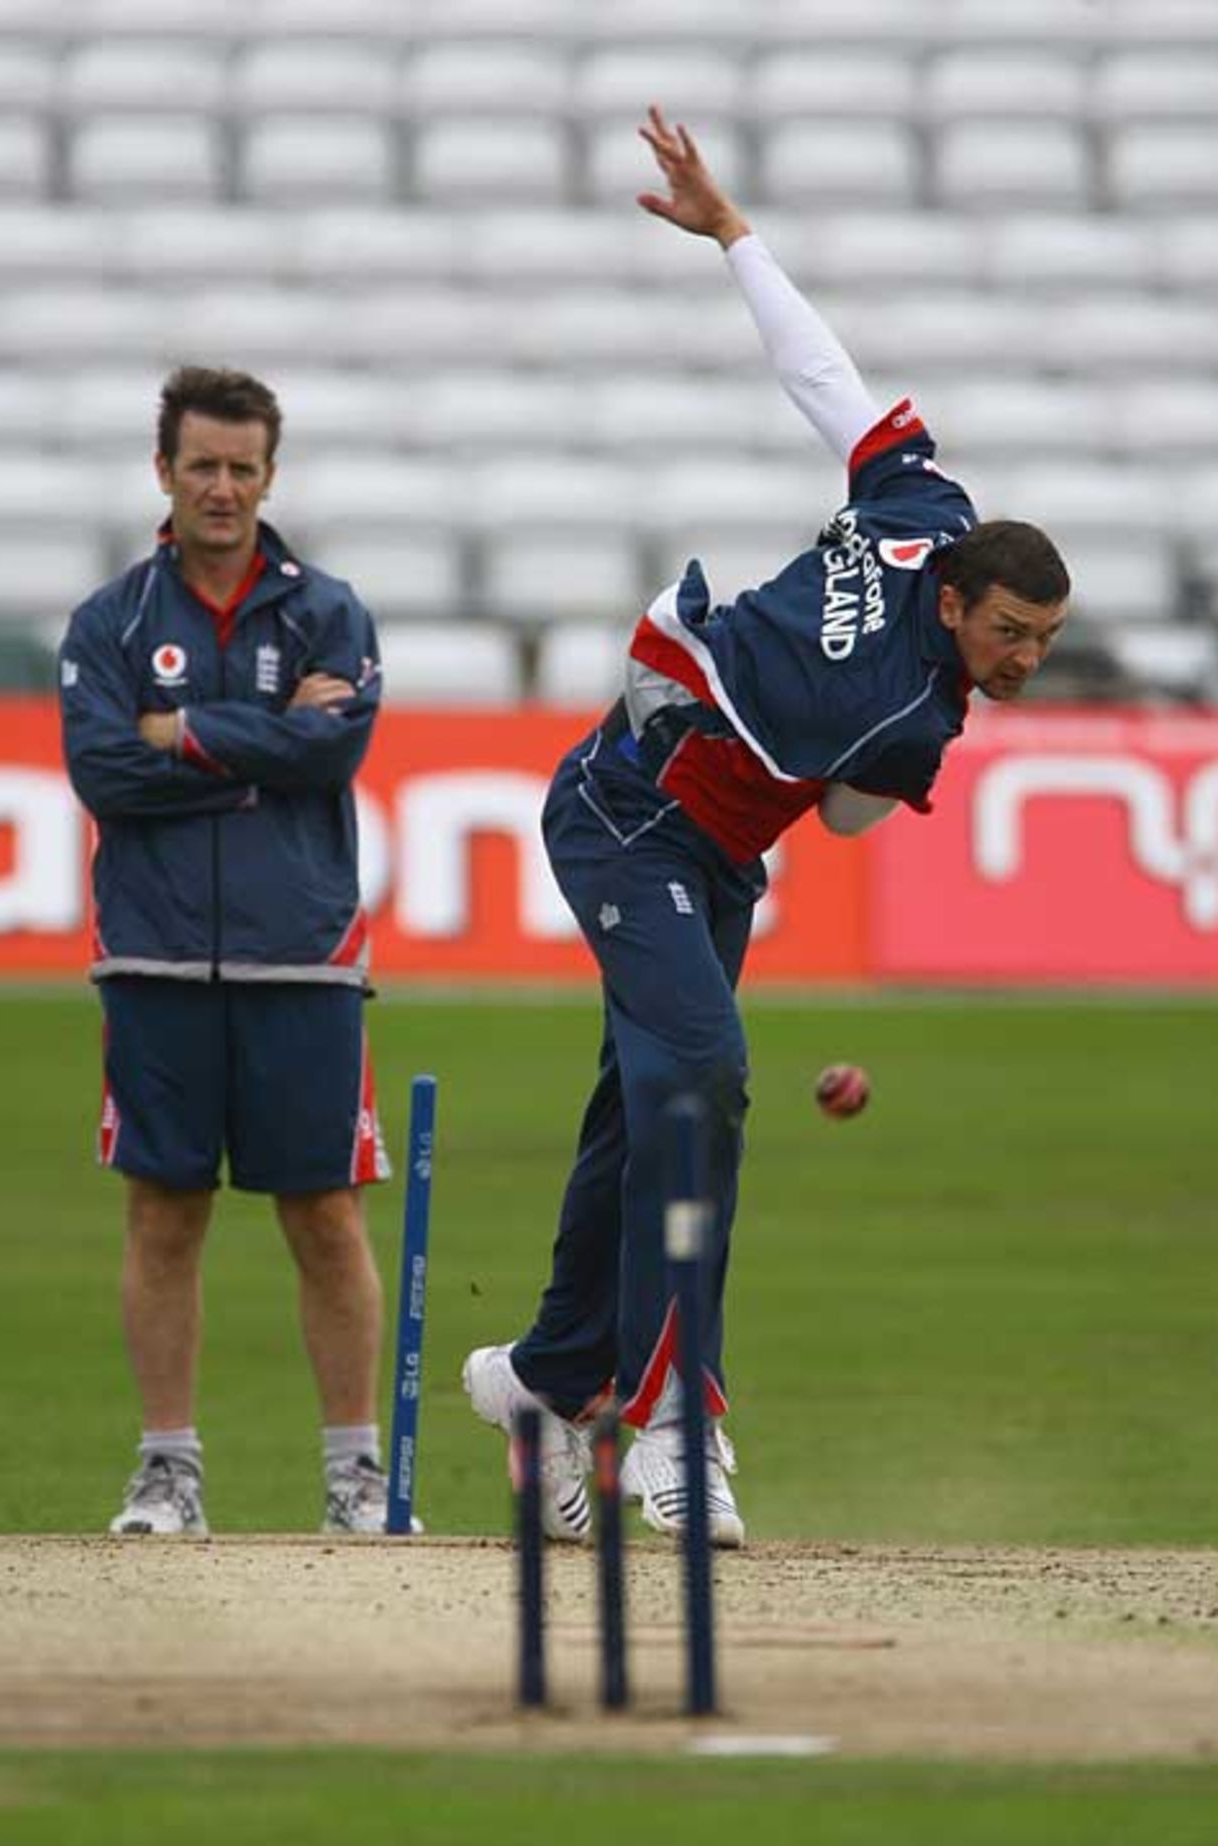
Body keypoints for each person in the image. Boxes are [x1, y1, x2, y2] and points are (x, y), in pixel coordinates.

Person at [463, 110, 1070, 1549]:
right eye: (1007, 634)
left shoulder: (928, 511)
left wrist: (739, 236)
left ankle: (546, 1377)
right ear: (952, 600)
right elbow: (853, 815)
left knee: (636, 1108)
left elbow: (827, 381)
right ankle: (676, 1422)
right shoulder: (901, 715)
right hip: (626, 815)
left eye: (1045, 641)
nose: (1024, 663)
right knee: (702, 1080)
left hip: (711, 851)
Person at [59, 365, 407, 1537]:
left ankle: (356, 1473)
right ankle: (167, 1470)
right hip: (152, 954)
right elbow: (105, 771)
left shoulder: (328, 611)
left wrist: (187, 734)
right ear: (164, 471)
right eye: (200, 464)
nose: (221, 487)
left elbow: (329, 755)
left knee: (323, 1213)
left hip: (300, 952)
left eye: (241, 467)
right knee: (165, 1212)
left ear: (269, 474)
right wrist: (261, 746)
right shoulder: (110, 620)